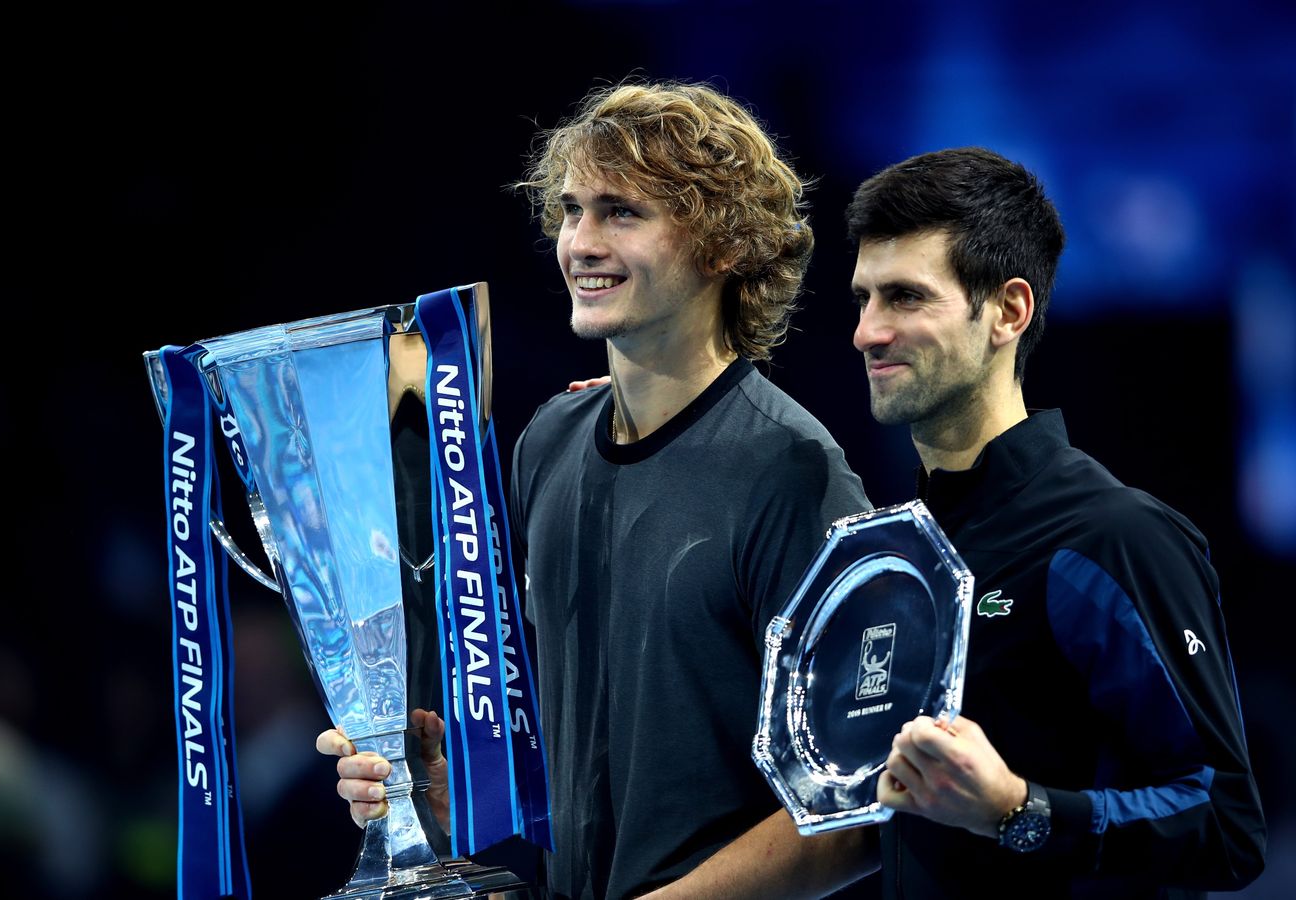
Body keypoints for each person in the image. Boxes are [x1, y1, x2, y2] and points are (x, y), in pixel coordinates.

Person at [318, 80, 878, 899]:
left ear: (723, 245)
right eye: (572, 210)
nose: (580, 242)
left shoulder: (794, 473)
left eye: (621, 212)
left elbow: (856, 811)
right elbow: (585, 757)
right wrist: (447, 797)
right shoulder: (549, 440)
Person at [844, 147, 1266, 897]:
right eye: (864, 299)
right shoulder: (898, 550)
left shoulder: (1113, 536)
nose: (868, 332)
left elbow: (1227, 827)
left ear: (1009, 311)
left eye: (905, 297)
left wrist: (1018, 809)